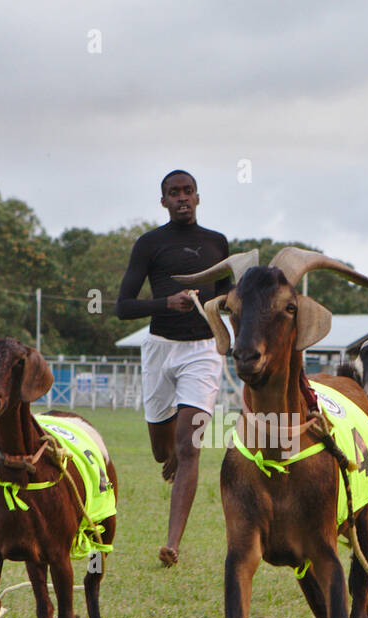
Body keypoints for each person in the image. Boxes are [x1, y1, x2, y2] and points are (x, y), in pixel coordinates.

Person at [116, 169, 230, 567]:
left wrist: (234, 302)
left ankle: (172, 544)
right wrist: (167, 303)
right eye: (173, 193)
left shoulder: (217, 243)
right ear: (163, 201)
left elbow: (228, 296)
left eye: (188, 191)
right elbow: (122, 307)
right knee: (162, 450)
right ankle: (175, 453)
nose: (182, 198)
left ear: (198, 197)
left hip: (203, 350)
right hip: (161, 349)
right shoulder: (149, 245)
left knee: (189, 445)